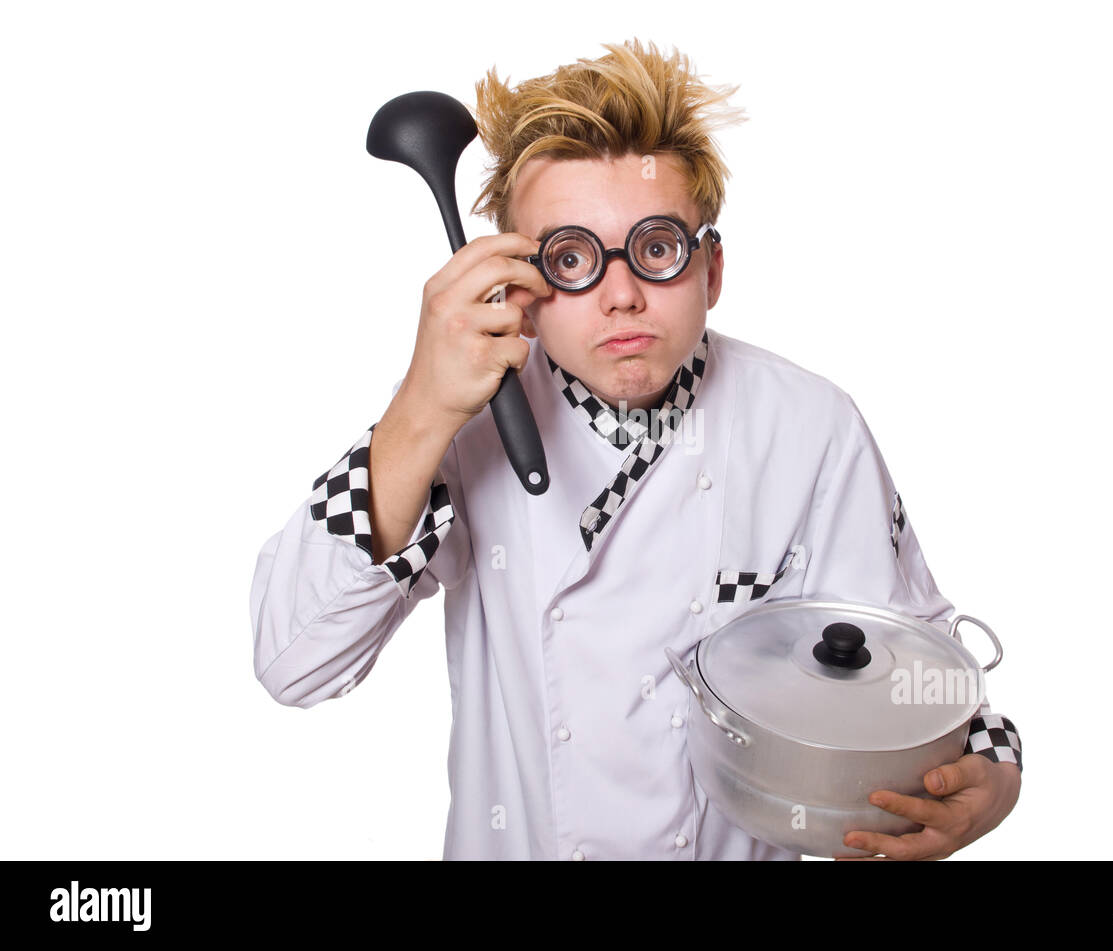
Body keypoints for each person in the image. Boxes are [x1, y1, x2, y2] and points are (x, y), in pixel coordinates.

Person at [249, 38, 1022, 861]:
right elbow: (293, 661)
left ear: (711, 268)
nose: (621, 294)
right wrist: (418, 405)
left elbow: (904, 662)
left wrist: (993, 765)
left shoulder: (808, 426)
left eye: (655, 249)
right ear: (522, 283)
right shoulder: (462, 424)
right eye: (572, 258)